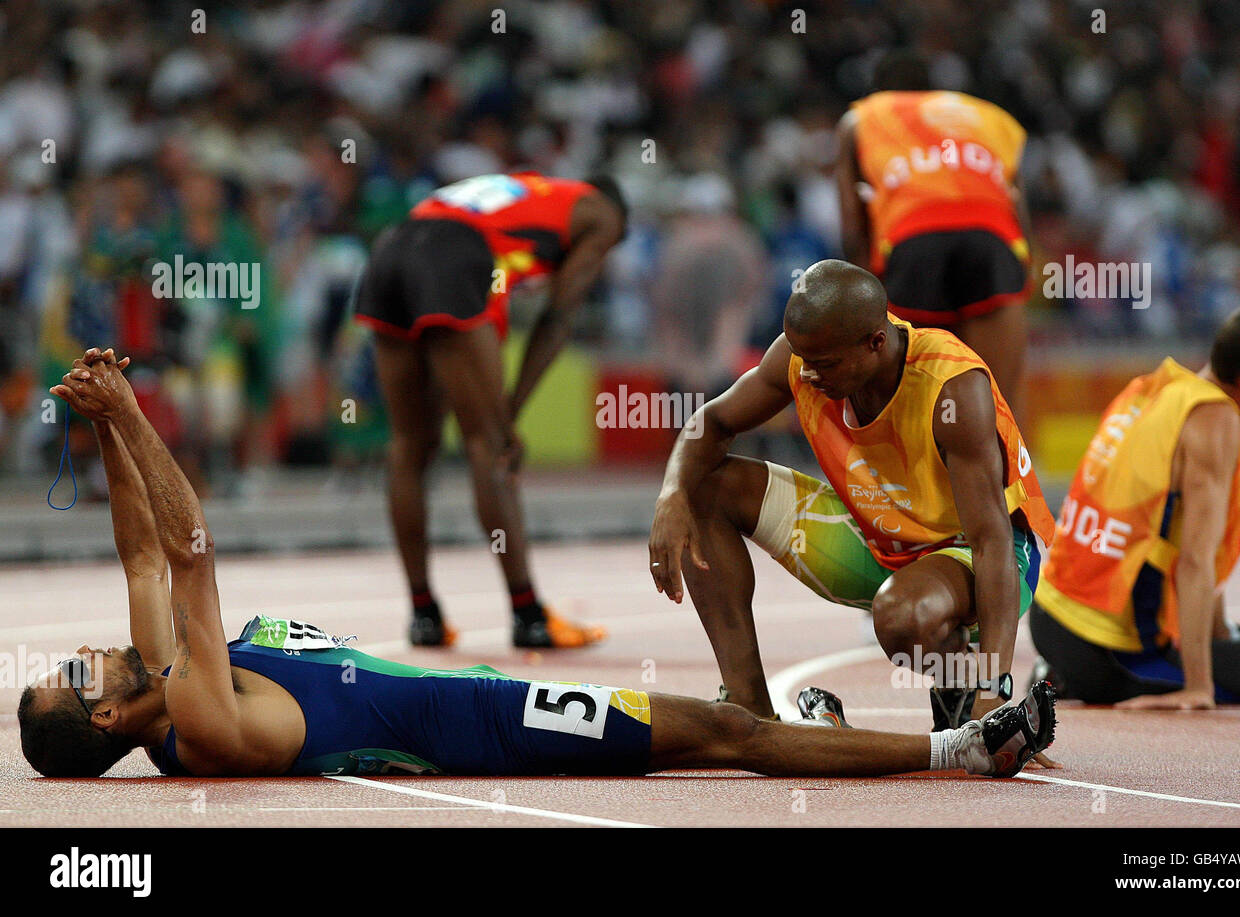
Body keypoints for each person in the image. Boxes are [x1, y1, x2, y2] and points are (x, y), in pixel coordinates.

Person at [17, 349, 1057, 780]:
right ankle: (956, 749)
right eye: (72, 672)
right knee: (724, 733)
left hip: (467, 701)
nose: (80, 651)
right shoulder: (193, 708)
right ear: (105, 719)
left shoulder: (155, 671)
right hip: (479, 727)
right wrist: (138, 415)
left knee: (726, 732)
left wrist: (101, 417)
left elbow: (144, 547)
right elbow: (194, 550)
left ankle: (847, 731)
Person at [648, 260, 1058, 744]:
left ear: (876, 342)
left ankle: (962, 685)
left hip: (974, 554)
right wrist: (672, 493)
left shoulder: (952, 389)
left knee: (901, 618)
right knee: (701, 486)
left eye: (825, 364)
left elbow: (991, 543)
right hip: (878, 538)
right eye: (803, 359)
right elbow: (710, 423)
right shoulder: (804, 359)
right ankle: (747, 704)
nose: (810, 375)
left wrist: (995, 691)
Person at [353, 172, 627, 648]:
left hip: (391, 250)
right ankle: (528, 616)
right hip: (450, 255)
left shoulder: (531, 189)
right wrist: (510, 412)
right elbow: (559, 315)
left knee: (410, 444)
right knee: (488, 445)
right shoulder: (602, 214)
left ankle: (424, 616)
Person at [1028, 301, 1240, 708]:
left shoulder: (1156, 389)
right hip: (1109, 649)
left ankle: (1230, 636)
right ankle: (1086, 677)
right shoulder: (1215, 421)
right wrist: (1198, 687)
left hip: (1050, 617)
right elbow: (1195, 561)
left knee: (1217, 625)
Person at [836, 51, 1033, 416]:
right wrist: (1022, 273)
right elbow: (1018, 206)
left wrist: (865, 298)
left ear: (880, 92)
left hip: (914, 240)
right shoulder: (991, 116)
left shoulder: (862, 116)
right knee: (997, 402)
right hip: (993, 239)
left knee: (912, 401)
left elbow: (852, 222)